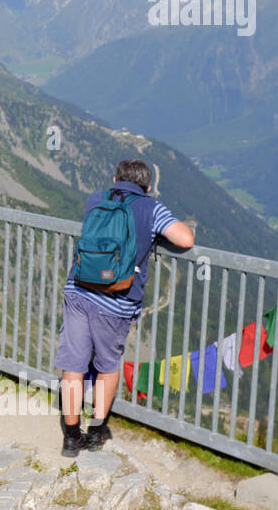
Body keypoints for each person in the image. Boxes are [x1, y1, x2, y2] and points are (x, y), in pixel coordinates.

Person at [56, 159, 196, 456]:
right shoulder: (151, 207)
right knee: (107, 366)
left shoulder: (96, 198)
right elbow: (185, 238)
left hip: (79, 289)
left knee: (74, 365)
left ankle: (70, 438)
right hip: (116, 301)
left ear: (115, 178)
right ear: (147, 186)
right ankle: (95, 433)